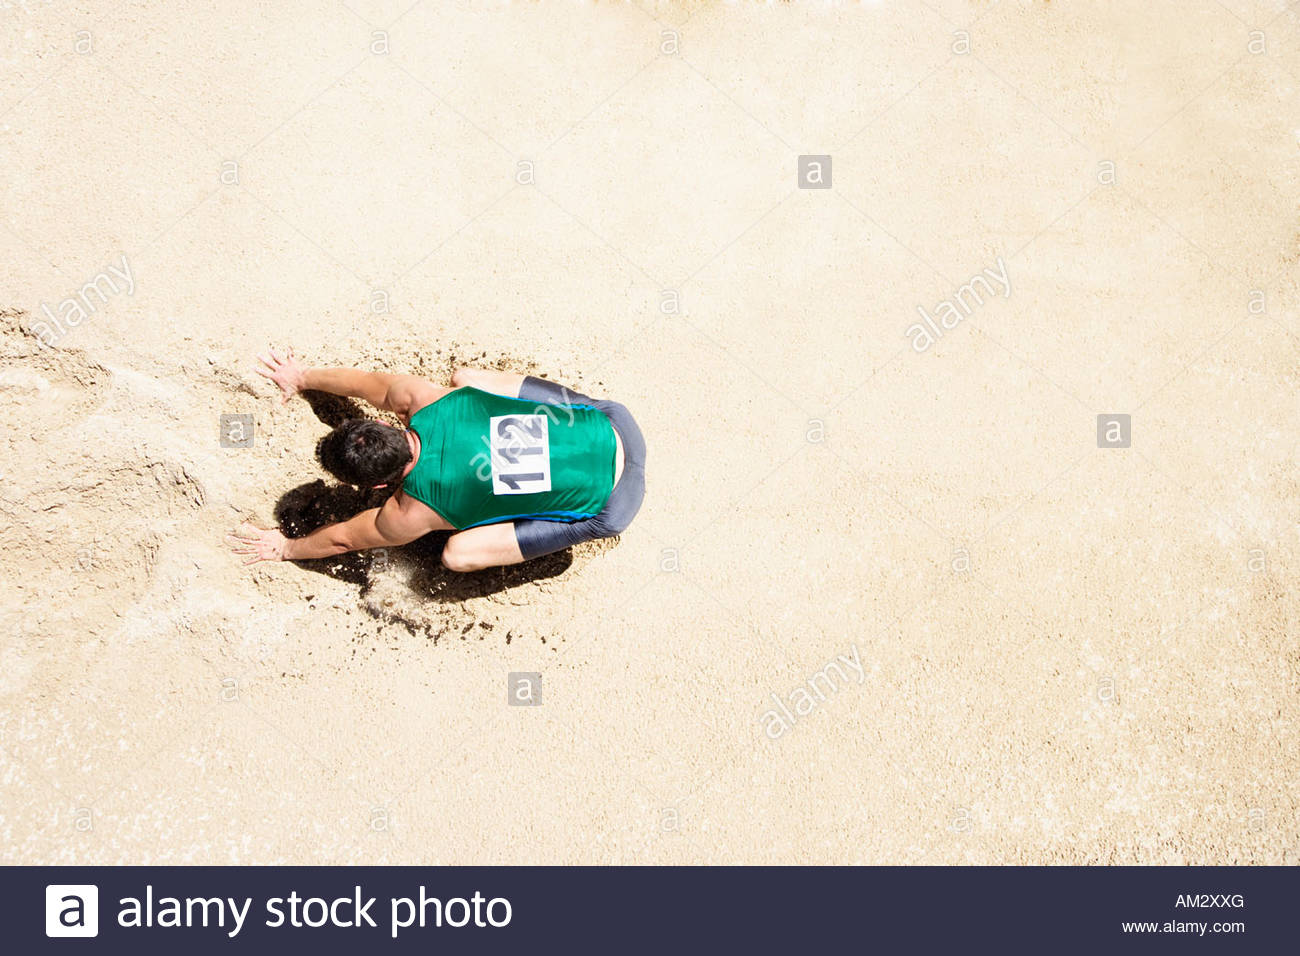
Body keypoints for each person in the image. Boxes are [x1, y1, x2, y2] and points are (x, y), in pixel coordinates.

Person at [229, 349, 645, 572]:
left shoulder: (408, 514)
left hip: (612, 508)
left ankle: (570, 518)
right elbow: (361, 382)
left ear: (377, 487)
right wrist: (302, 377)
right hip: (615, 420)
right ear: (380, 420)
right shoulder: (417, 397)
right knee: (464, 380)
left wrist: (285, 547)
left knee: (456, 555)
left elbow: (344, 539)